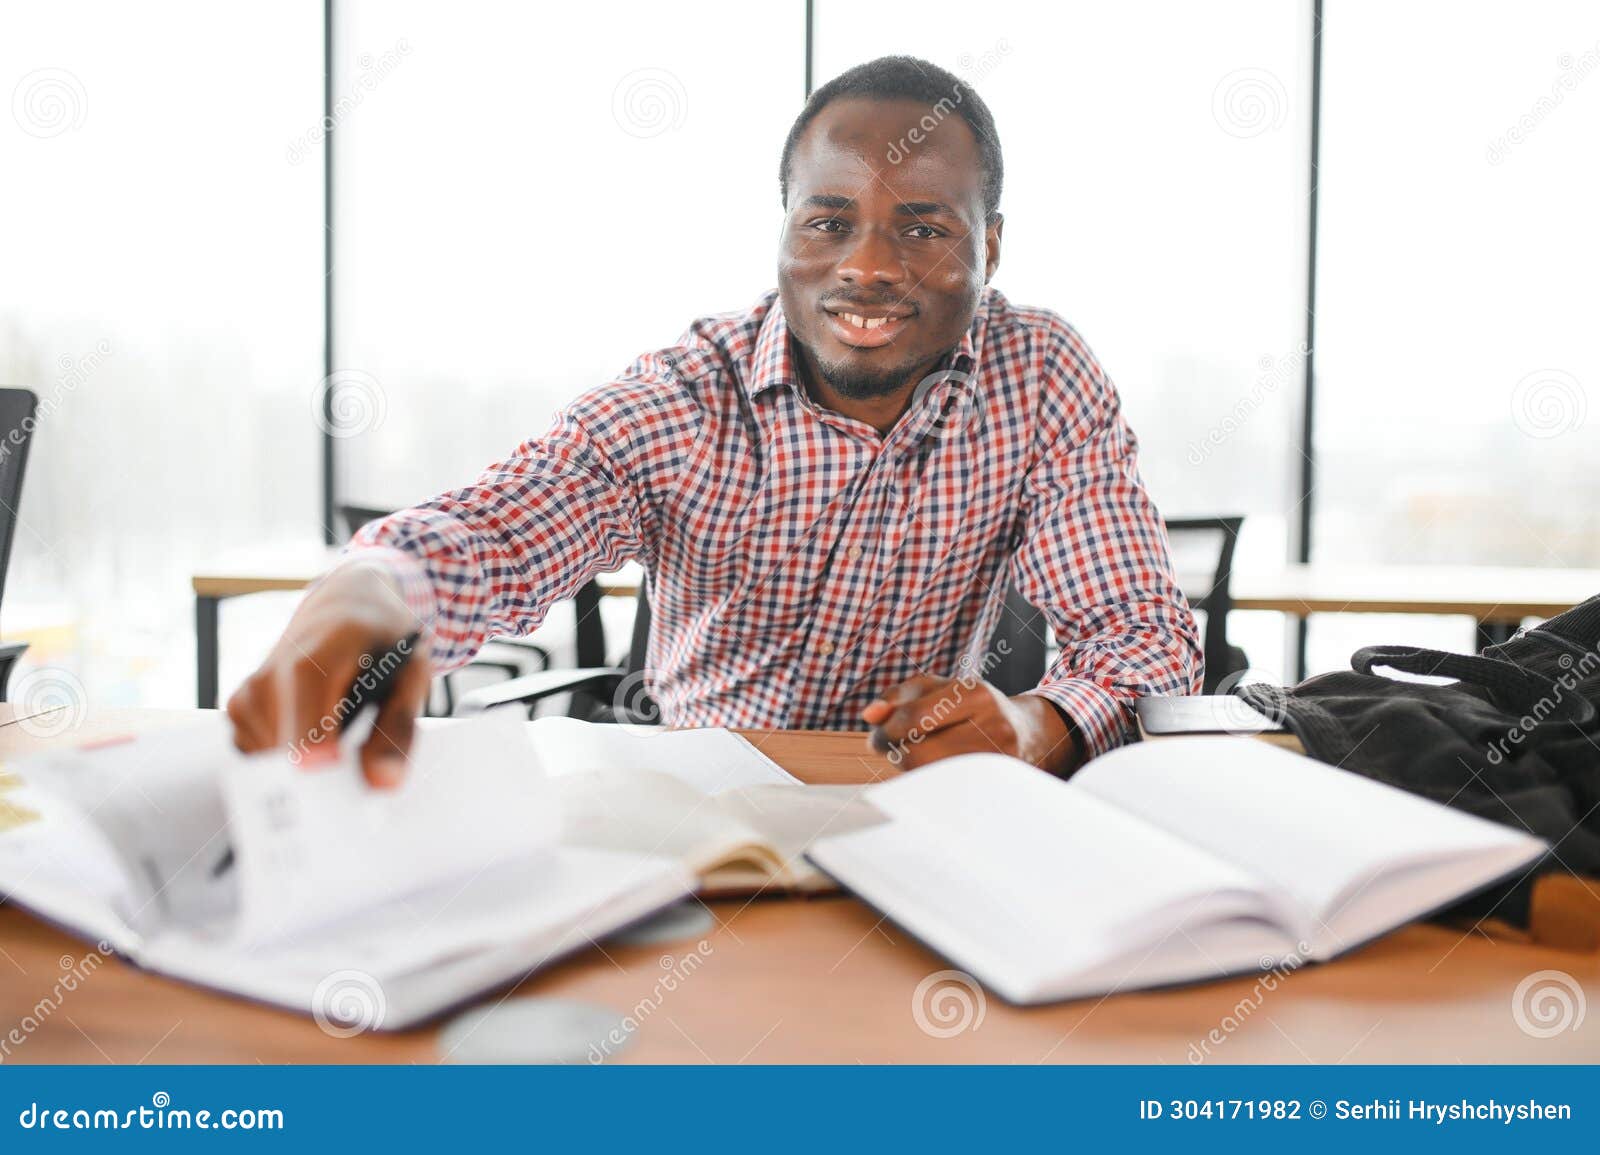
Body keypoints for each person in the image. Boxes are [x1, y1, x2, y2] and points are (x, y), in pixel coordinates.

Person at [227, 55, 1201, 784]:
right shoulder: (694, 395)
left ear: (989, 244)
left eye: (922, 227)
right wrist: (379, 588)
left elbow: (1141, 637)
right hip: (703, 810)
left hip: (924, 806)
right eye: (827, 222)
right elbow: (515, 516)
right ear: (782, 231)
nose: (865, 266)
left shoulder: (1039, 373)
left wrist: (1040, 725)